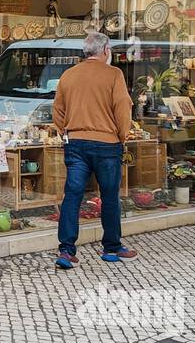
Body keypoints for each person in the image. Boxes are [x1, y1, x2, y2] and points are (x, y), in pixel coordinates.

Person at [51, 31, 136, 269]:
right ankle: (111, 248)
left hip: (76, 144)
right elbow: (122, 109)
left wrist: (65, 133)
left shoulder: (68, 75)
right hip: (107, 144)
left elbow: (57, 111)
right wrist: (122, 135)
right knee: (109, 196)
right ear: (106, 50)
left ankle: (66, 251)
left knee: (73, 196)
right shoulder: (113, 74)